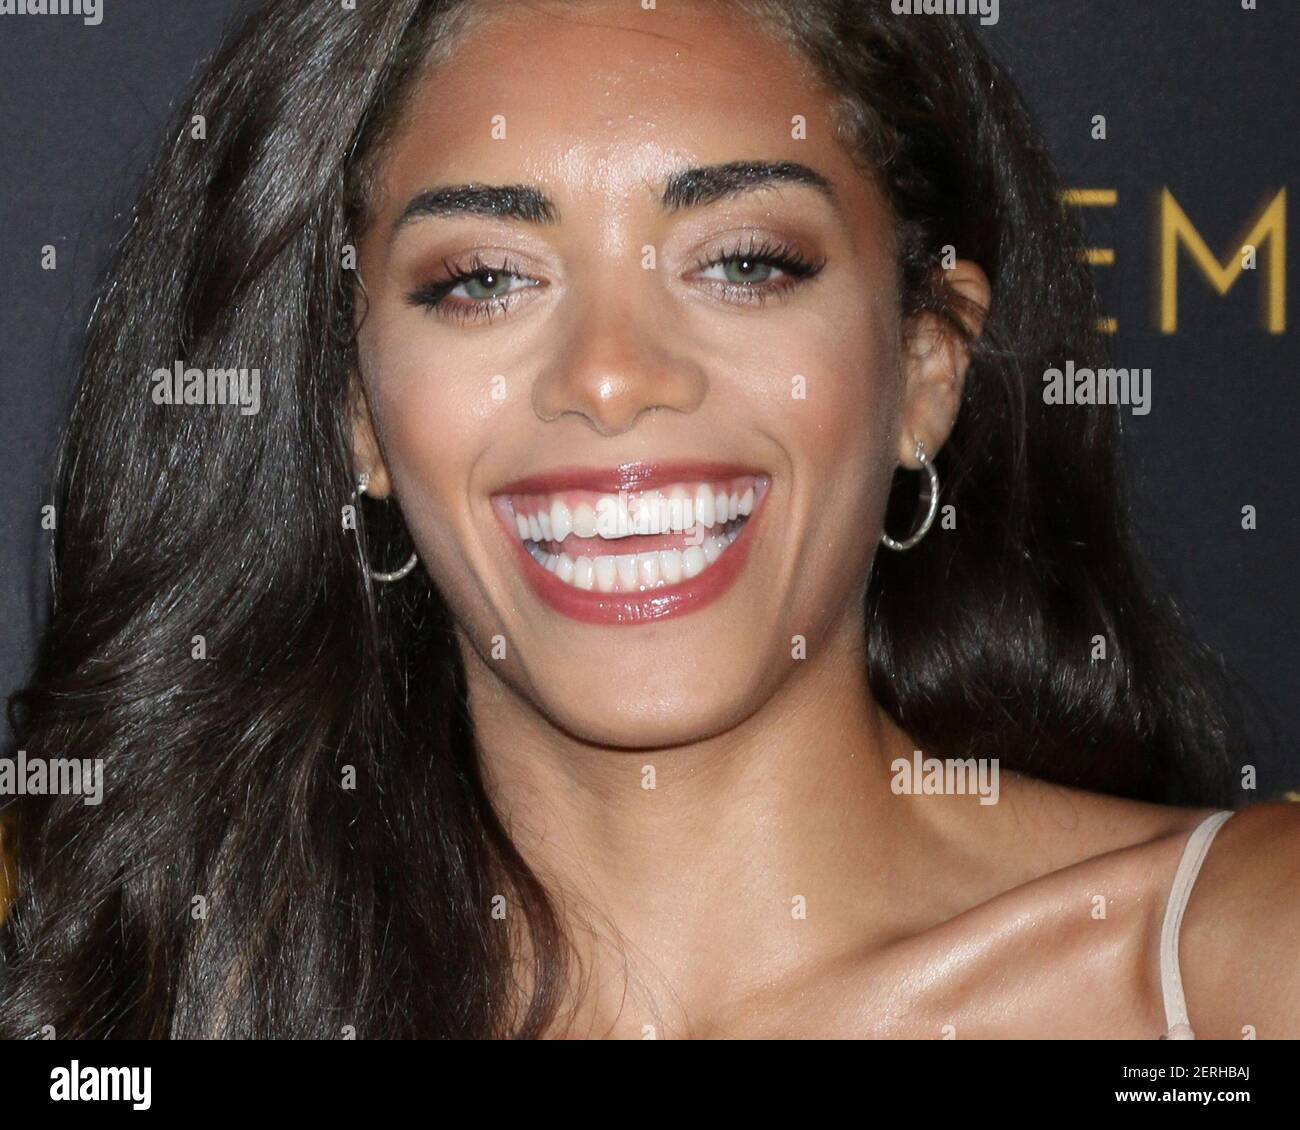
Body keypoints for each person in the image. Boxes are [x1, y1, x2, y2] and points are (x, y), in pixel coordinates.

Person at [1, 0, 1296, 1039]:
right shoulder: (167, 1005)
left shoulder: (1233, 960)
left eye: (742, 262)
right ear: (355, 414)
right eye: (485, 280)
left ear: (927, 362)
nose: (613, 377)